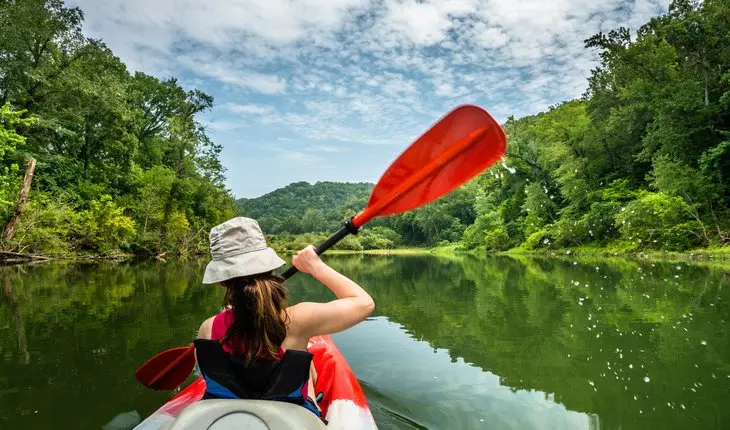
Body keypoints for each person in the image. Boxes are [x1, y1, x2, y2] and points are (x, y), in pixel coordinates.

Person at [194, 217, 374, 421]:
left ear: (221, 282)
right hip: (291, 417)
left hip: (228, 419)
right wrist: (315, 266)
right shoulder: (299, 320)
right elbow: (364, 303)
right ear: (269, 268)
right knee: (303, 358)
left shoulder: (208, 328)